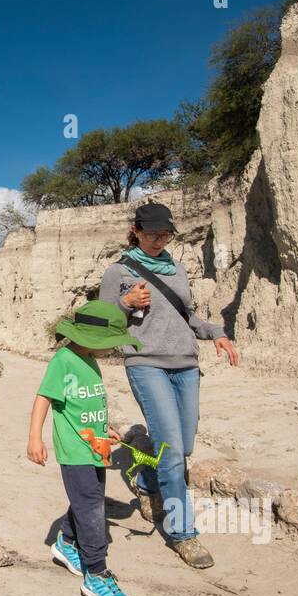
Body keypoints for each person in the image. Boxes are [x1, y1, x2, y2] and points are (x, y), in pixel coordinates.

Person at [99, 202, 240, 569]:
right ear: (135, 230)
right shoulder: (119, 271)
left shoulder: (176, 268)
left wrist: (216, 334)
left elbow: (186, 316)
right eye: (151, 234)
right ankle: (183, 533)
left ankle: (147, 481)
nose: (159, 240)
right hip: (146, 363)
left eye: (165, 234)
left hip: (186, 363)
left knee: (184, 443)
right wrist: (126, 302)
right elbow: (100, 320)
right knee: (173, 450)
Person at [26, 300, 137, 596]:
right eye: (109, 345)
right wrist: (35, 437)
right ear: (90, 338)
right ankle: (96, 572)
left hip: (97, 447)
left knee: (90, 499)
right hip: (75, 451)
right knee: (91, 505)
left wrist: (107, 429)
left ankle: (67, 541)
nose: (111, 350)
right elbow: (43, 397)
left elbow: (88, 406)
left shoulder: (90, 360)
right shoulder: (64, 360)